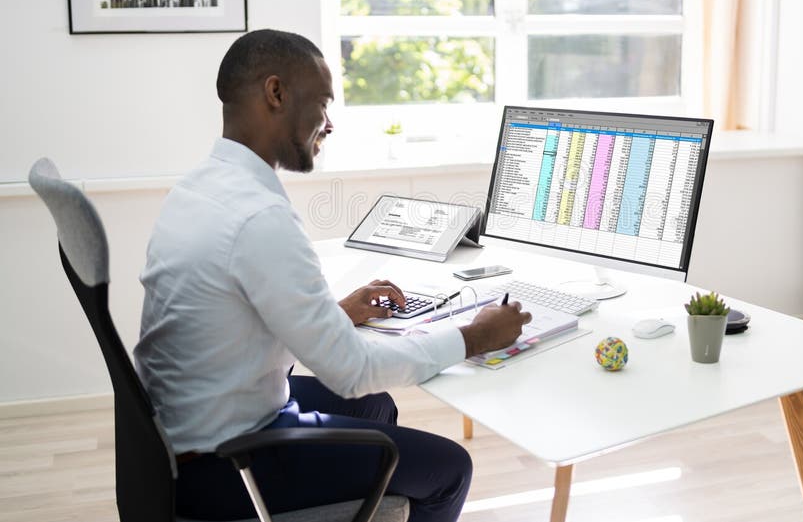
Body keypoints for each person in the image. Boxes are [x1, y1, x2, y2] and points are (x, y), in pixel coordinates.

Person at [134, 29, 531, 522]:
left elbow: (231, 312)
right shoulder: (259, 217)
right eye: (323, 103)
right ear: (276, 94)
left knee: (376, 409)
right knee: (448, 469)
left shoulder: (199, 188)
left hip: (181, 438)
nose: (329, 124)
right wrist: (474, 337)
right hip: (227, 466)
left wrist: (333, 313)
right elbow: (351, 372)